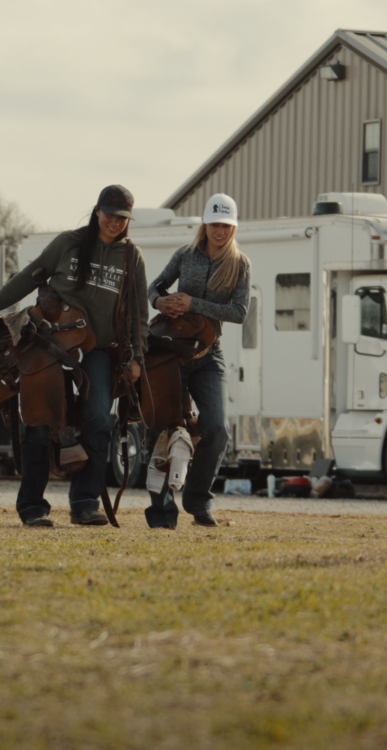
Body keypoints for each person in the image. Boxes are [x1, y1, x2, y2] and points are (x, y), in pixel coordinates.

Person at [0, 185, 148, 527]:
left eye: (122, 218)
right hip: (50, 341)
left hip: (99, 350)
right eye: (110, 215)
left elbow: (139, 312)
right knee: (39, 420)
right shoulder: (69, 243)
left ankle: (85, 503)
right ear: (97, 211)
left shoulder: (130, 256)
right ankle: (32, 506)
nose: (115, 222)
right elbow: (27, 277)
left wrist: (137, 355)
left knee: (99, 420)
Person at [143, 193, 250, 529]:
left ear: (233, 228)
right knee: (162, 429)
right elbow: (154, 287)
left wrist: (193, 304)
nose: (220, 231)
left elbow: (239, 312)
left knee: (217, 429)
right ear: (205, 224)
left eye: (226, 225)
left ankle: (198, 499)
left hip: (208, 355)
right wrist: (160, 302)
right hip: (171, 355)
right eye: (215, 224)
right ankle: (162, 511)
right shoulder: (185, 255)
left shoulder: (240, 264)